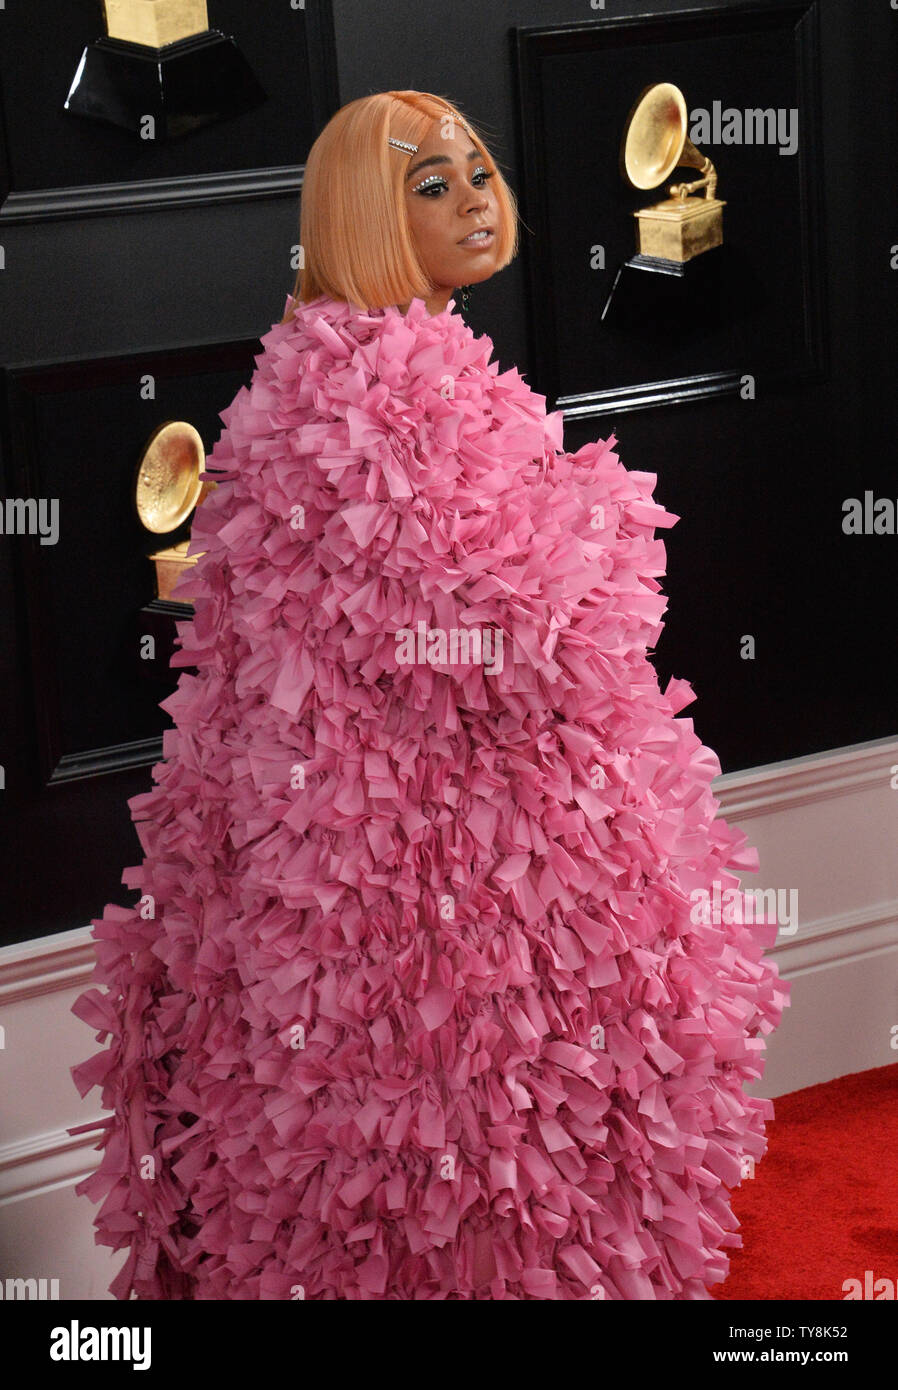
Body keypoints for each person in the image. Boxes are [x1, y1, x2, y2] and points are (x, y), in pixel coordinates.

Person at [70, 89, 789, 1300]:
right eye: (430, 184)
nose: (474, 200)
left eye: (478, 171)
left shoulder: (337, 372)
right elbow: (504, 632)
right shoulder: (374, 390)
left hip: (407, 835)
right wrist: (604, 518)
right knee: (471, 1120)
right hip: (440, 855)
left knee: (451, 1130)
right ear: (363, 214)